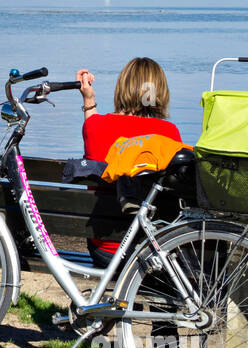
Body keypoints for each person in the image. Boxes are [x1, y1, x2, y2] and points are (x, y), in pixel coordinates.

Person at [75, 57, 182, 267]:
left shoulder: (94, 127)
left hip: (104, 252)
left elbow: (93, 126)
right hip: (151, 252)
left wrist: (89, 99)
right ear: (158, 91)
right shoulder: (168, 133)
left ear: (122, 88)